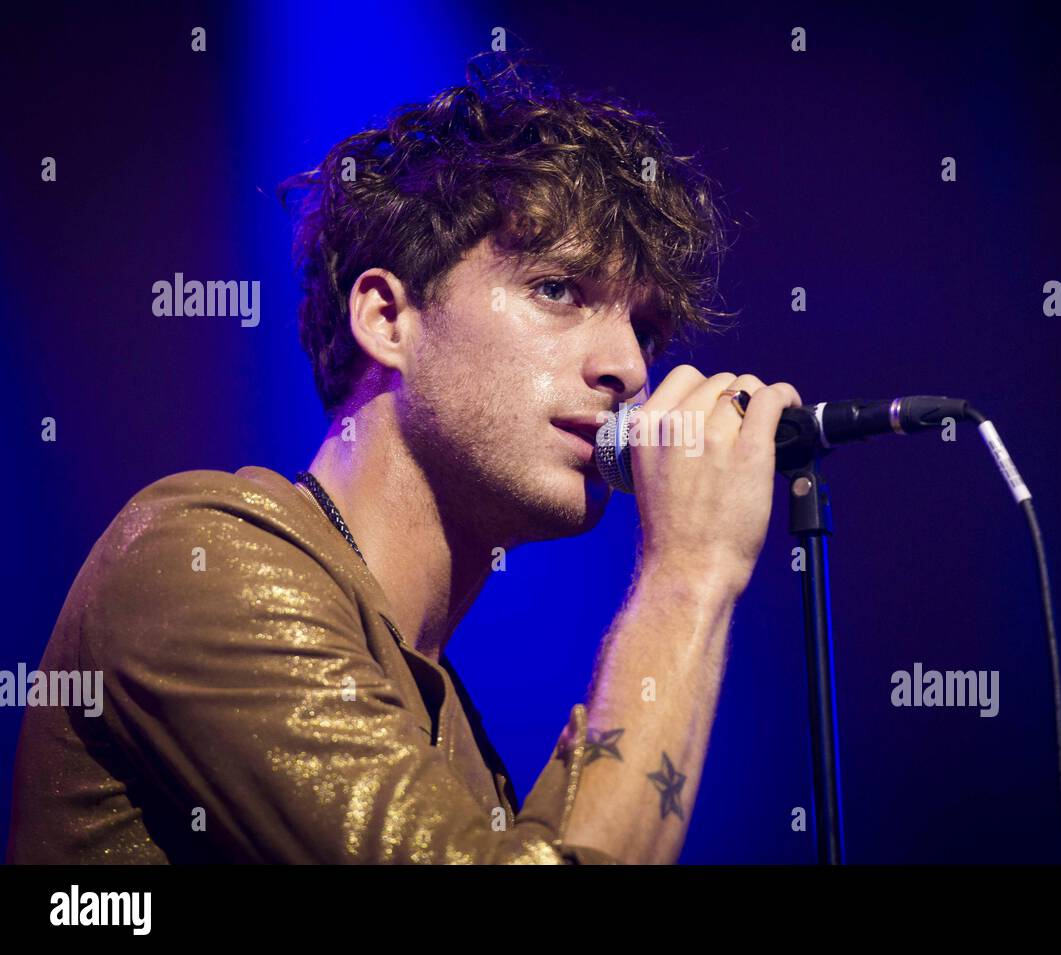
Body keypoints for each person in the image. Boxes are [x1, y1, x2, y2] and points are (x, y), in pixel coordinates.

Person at [6, 52, 801, 864]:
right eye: (559, 289)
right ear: (389, 318)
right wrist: (688, 574)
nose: (630, 369)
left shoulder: (446, 718)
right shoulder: (201, 559)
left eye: (646, 330)